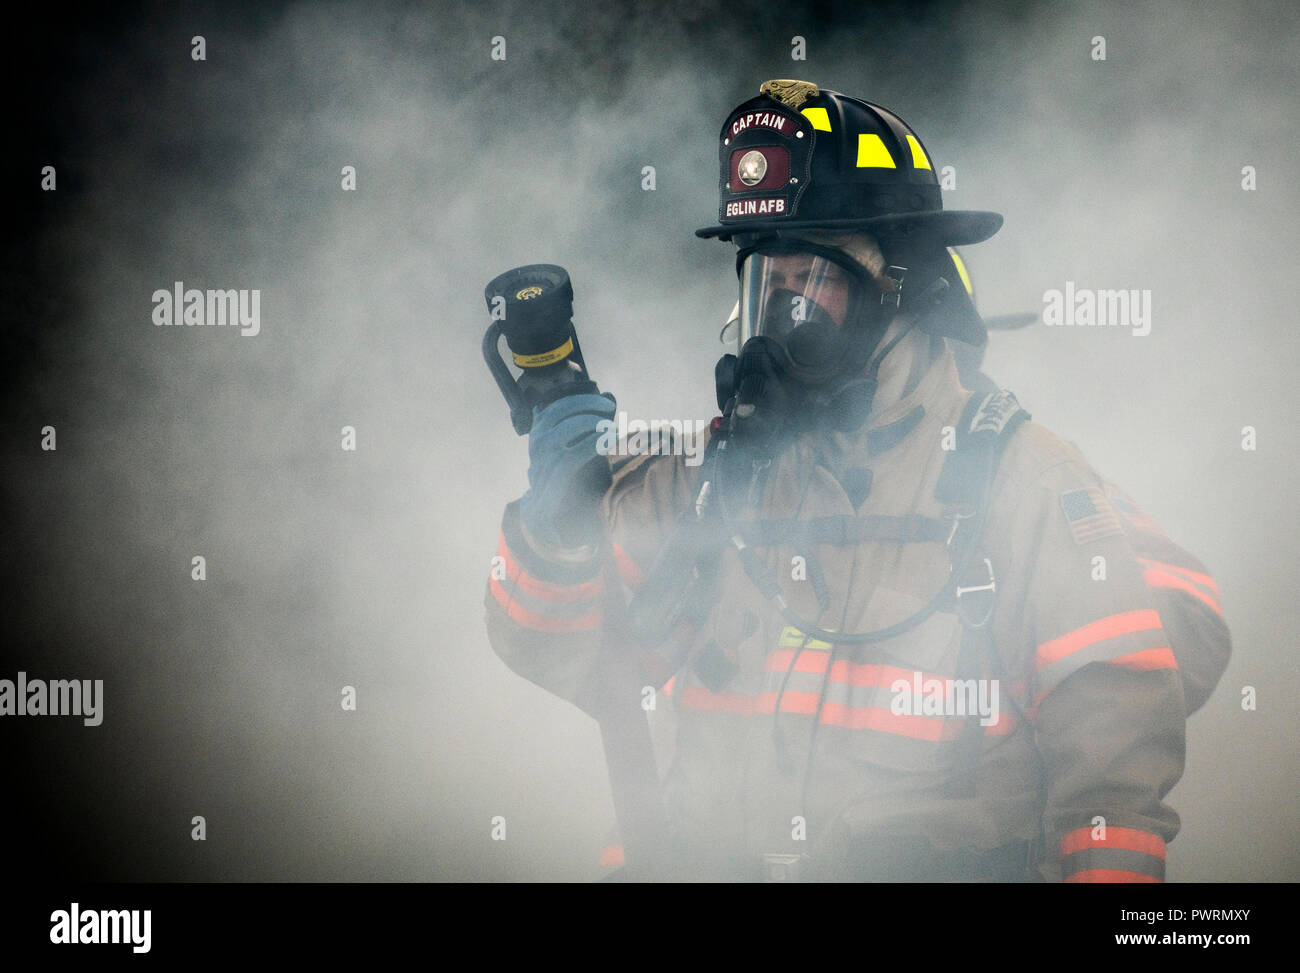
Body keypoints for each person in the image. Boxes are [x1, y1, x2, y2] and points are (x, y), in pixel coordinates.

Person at [485, 80, 1215, 882]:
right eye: (768, 281)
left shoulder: (1020, 479)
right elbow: (563, 654)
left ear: (899, 288)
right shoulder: (709, 474)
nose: (784, 314)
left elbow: (1109, 798)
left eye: (816, 280)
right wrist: (555, 530)